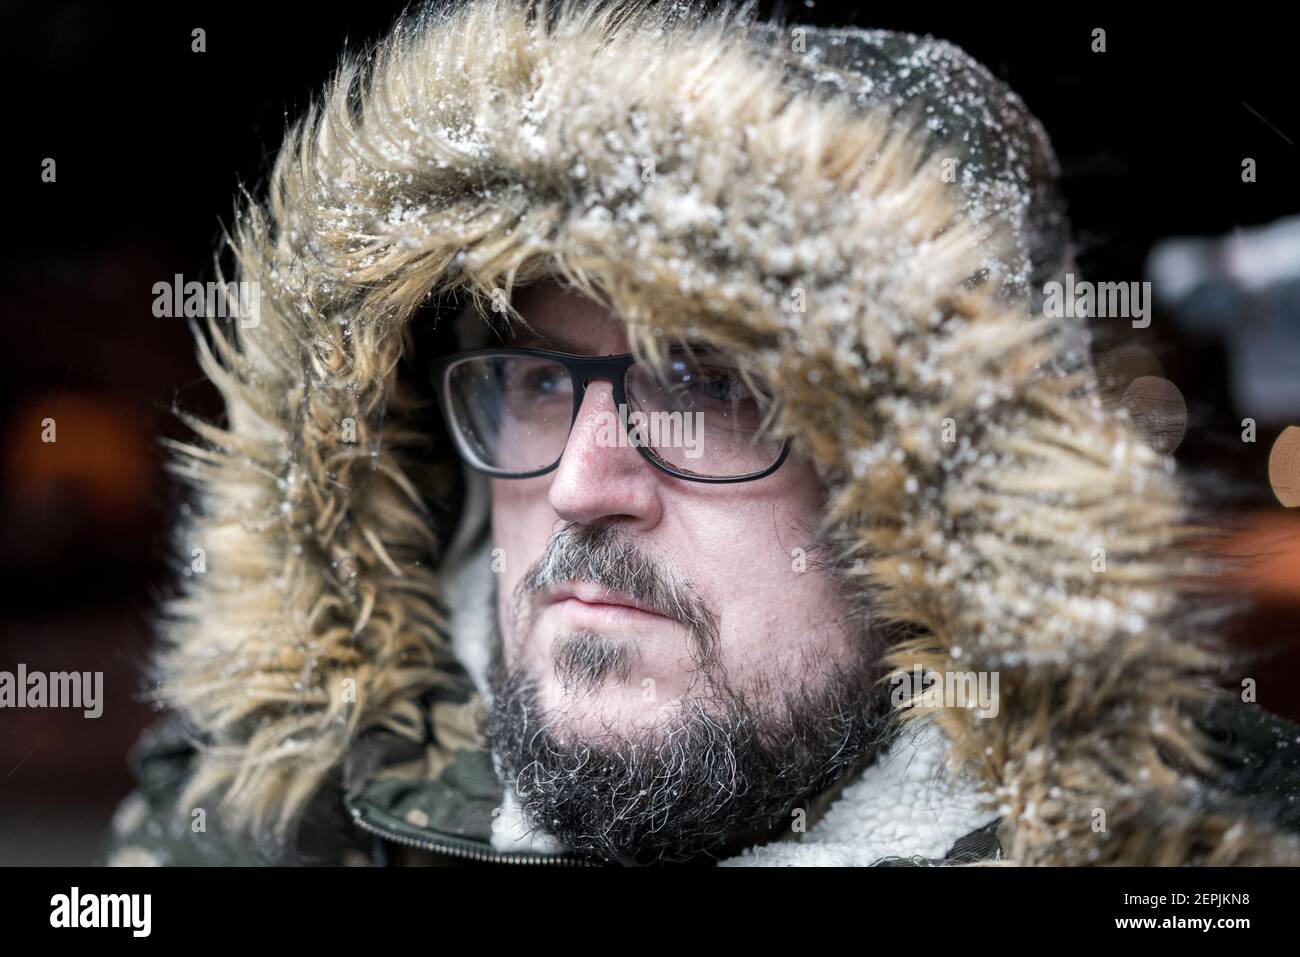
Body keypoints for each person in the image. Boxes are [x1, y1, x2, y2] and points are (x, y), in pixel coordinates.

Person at [104, 0, 1300, 867]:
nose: (582, 484)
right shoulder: (263, 831)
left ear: (944, 504)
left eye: (712, 386)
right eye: (534, 378)